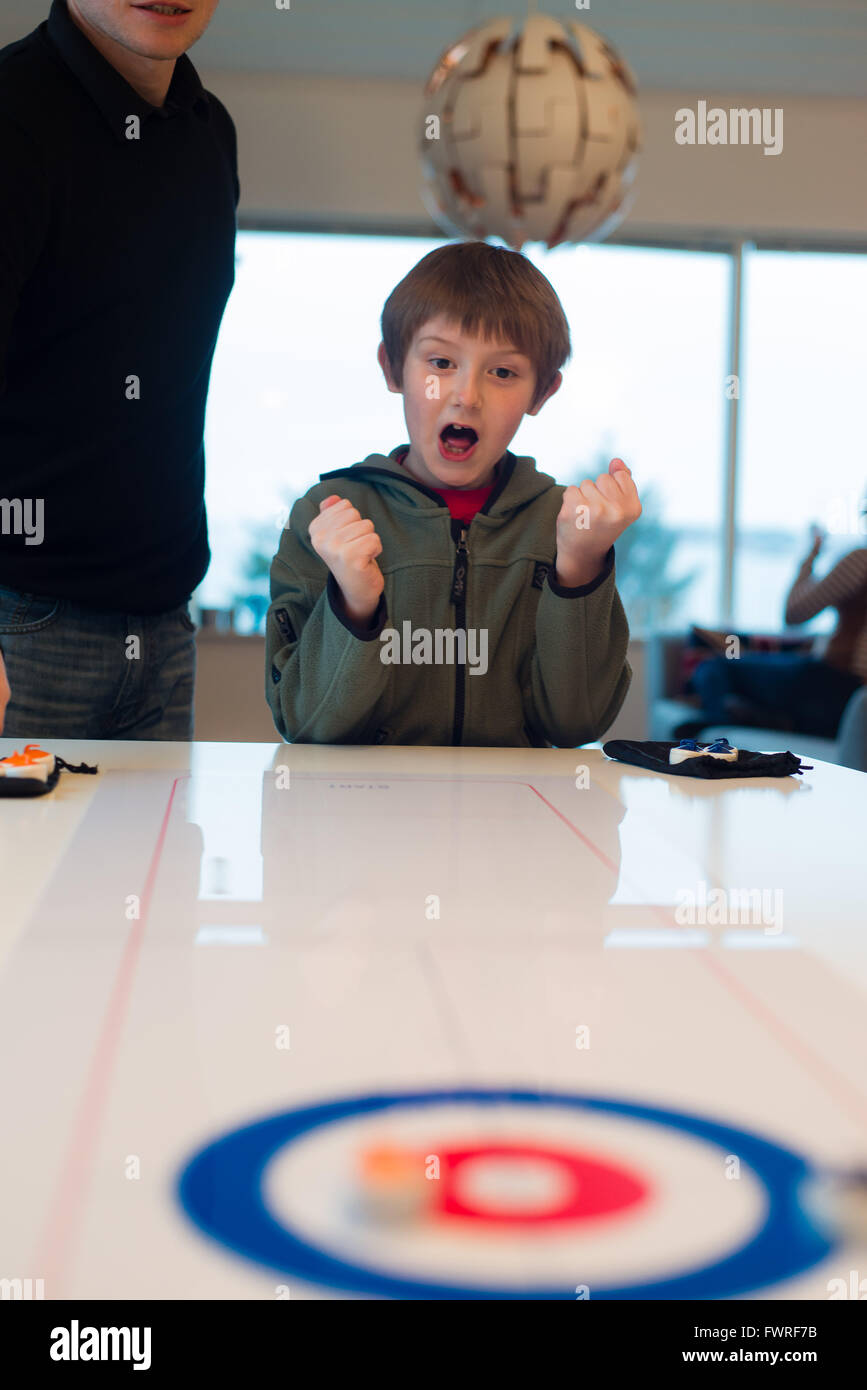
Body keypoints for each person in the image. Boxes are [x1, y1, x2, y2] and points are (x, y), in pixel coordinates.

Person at [265, 241, 641, 747]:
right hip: (360, 817)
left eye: (503, 372)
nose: (467, 394)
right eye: (441, 362)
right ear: (394, 368)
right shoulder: (327, 514)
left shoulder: (562, 525)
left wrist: (580, 569)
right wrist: (354, 604)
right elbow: (306, 726)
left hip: (516, 818)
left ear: (542, 392)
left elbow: (575, 725)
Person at [0, 0, 236, 740]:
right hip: (20, 629)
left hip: (166, 626)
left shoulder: (209, 131)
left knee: (158, 863)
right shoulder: (11, 116)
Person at [687, 519, 867, 739]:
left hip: (834, 686)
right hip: (845, 696)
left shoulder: (862, 560)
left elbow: (794, 614)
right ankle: (749, 718)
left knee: (713, 667)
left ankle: (717, 737)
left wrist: (812, 554)